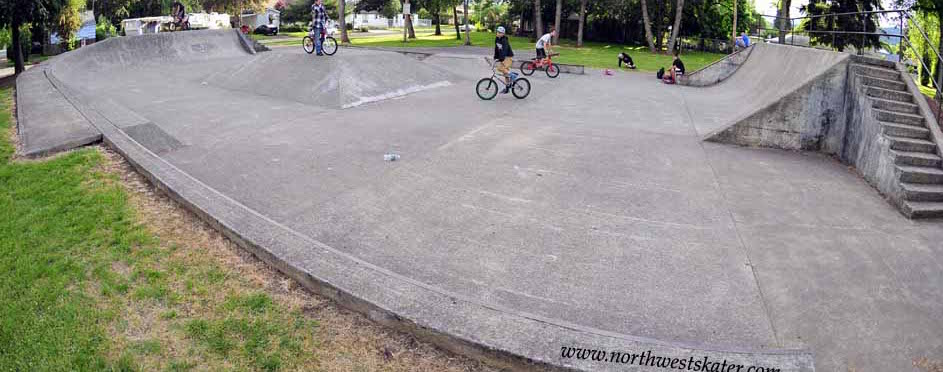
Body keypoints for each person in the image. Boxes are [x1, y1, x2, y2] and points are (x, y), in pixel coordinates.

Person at [493, 26, 515, 94]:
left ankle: (512, 75)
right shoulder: (497, 39)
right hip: (504, 57)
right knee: (505, 73)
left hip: (508, 57)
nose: (498, 33)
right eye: (498, 32)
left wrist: (501, 59)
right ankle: (507, 88)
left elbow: (504, 51)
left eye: (500, 32)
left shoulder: (504, 40)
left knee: (500, 68)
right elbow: (496, 49)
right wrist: (496, 57)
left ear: (503, 34)